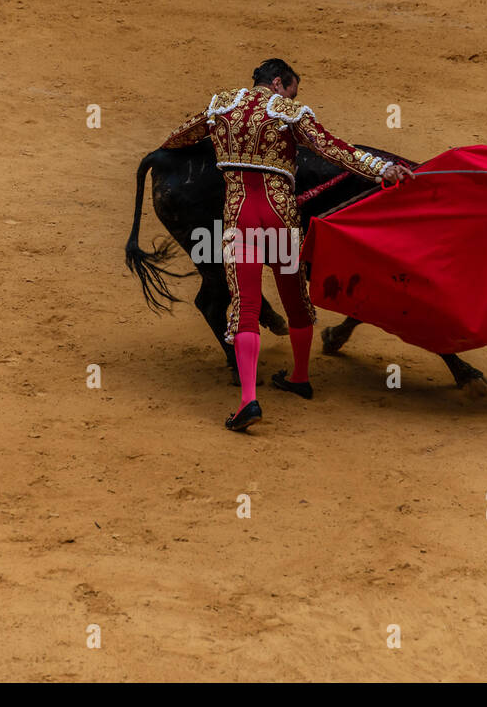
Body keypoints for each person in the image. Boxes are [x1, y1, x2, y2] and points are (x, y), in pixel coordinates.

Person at [159, 58, 414, 431]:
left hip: (239, 216)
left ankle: (248, 400)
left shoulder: (221, 105)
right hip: (279, 216)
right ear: (278, 84)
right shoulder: (288, 112)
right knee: (295, 299)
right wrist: (382, 169)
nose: (294, 96)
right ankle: (299, 377)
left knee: (245, 308)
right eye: (293, 89)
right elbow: (335, 151)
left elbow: (178, 138)